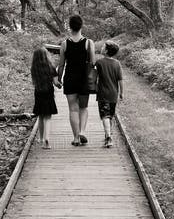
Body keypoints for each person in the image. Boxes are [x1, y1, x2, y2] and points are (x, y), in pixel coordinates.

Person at [57, 14, 95, 146]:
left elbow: (61, 65)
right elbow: (93, 62)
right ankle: (82, 131)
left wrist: (59, 79)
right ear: (81, 26)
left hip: (70, 79)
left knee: (73, 109)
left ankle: (75, 138)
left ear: (70, 27)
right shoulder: (89, 43)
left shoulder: (64, 44)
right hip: (84, 79)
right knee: (83, 107)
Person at [31, 46, 61, 149]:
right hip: (48, 93)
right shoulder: (51, 67)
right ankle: (47, 138)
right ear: (46, 56)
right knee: (47, 117)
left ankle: (40, 138)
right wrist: (59, 85)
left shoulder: (34, 68)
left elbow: (34, 81)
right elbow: (56, 82)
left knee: (40, 116)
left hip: (38, 92)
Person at [95, 41, 123, 147]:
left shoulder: (99, 62)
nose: (101, 48)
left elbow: (93, 77)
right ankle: (108, 135)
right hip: (113, 94)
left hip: (103, 94)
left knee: (105, 116)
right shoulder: (117, 63)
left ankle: (108, 137)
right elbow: (120, 80)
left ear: (106, 51)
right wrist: (121, 93)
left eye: (103, 47)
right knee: (110, 115)